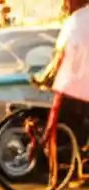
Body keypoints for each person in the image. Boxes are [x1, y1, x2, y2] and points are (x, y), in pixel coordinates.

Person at [34, 0, 89, 154]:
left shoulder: (74, 22)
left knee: (66, 121)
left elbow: (60, 53)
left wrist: (45, 77)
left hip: (73, 85)